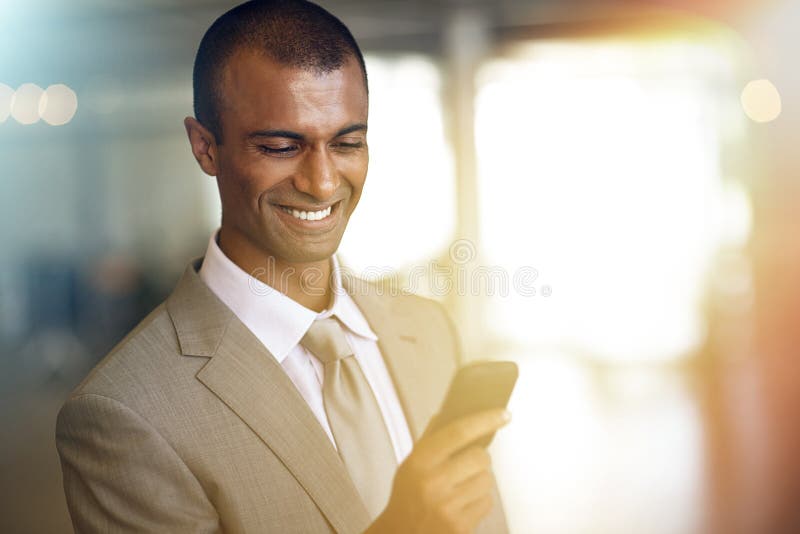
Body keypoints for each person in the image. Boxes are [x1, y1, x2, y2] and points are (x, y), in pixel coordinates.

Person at [55, 1, 510, 532]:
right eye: (280, 146)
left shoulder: (427, 330)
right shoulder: (123, 413)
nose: (322, 182)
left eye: (347, 143)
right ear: (205, 147)